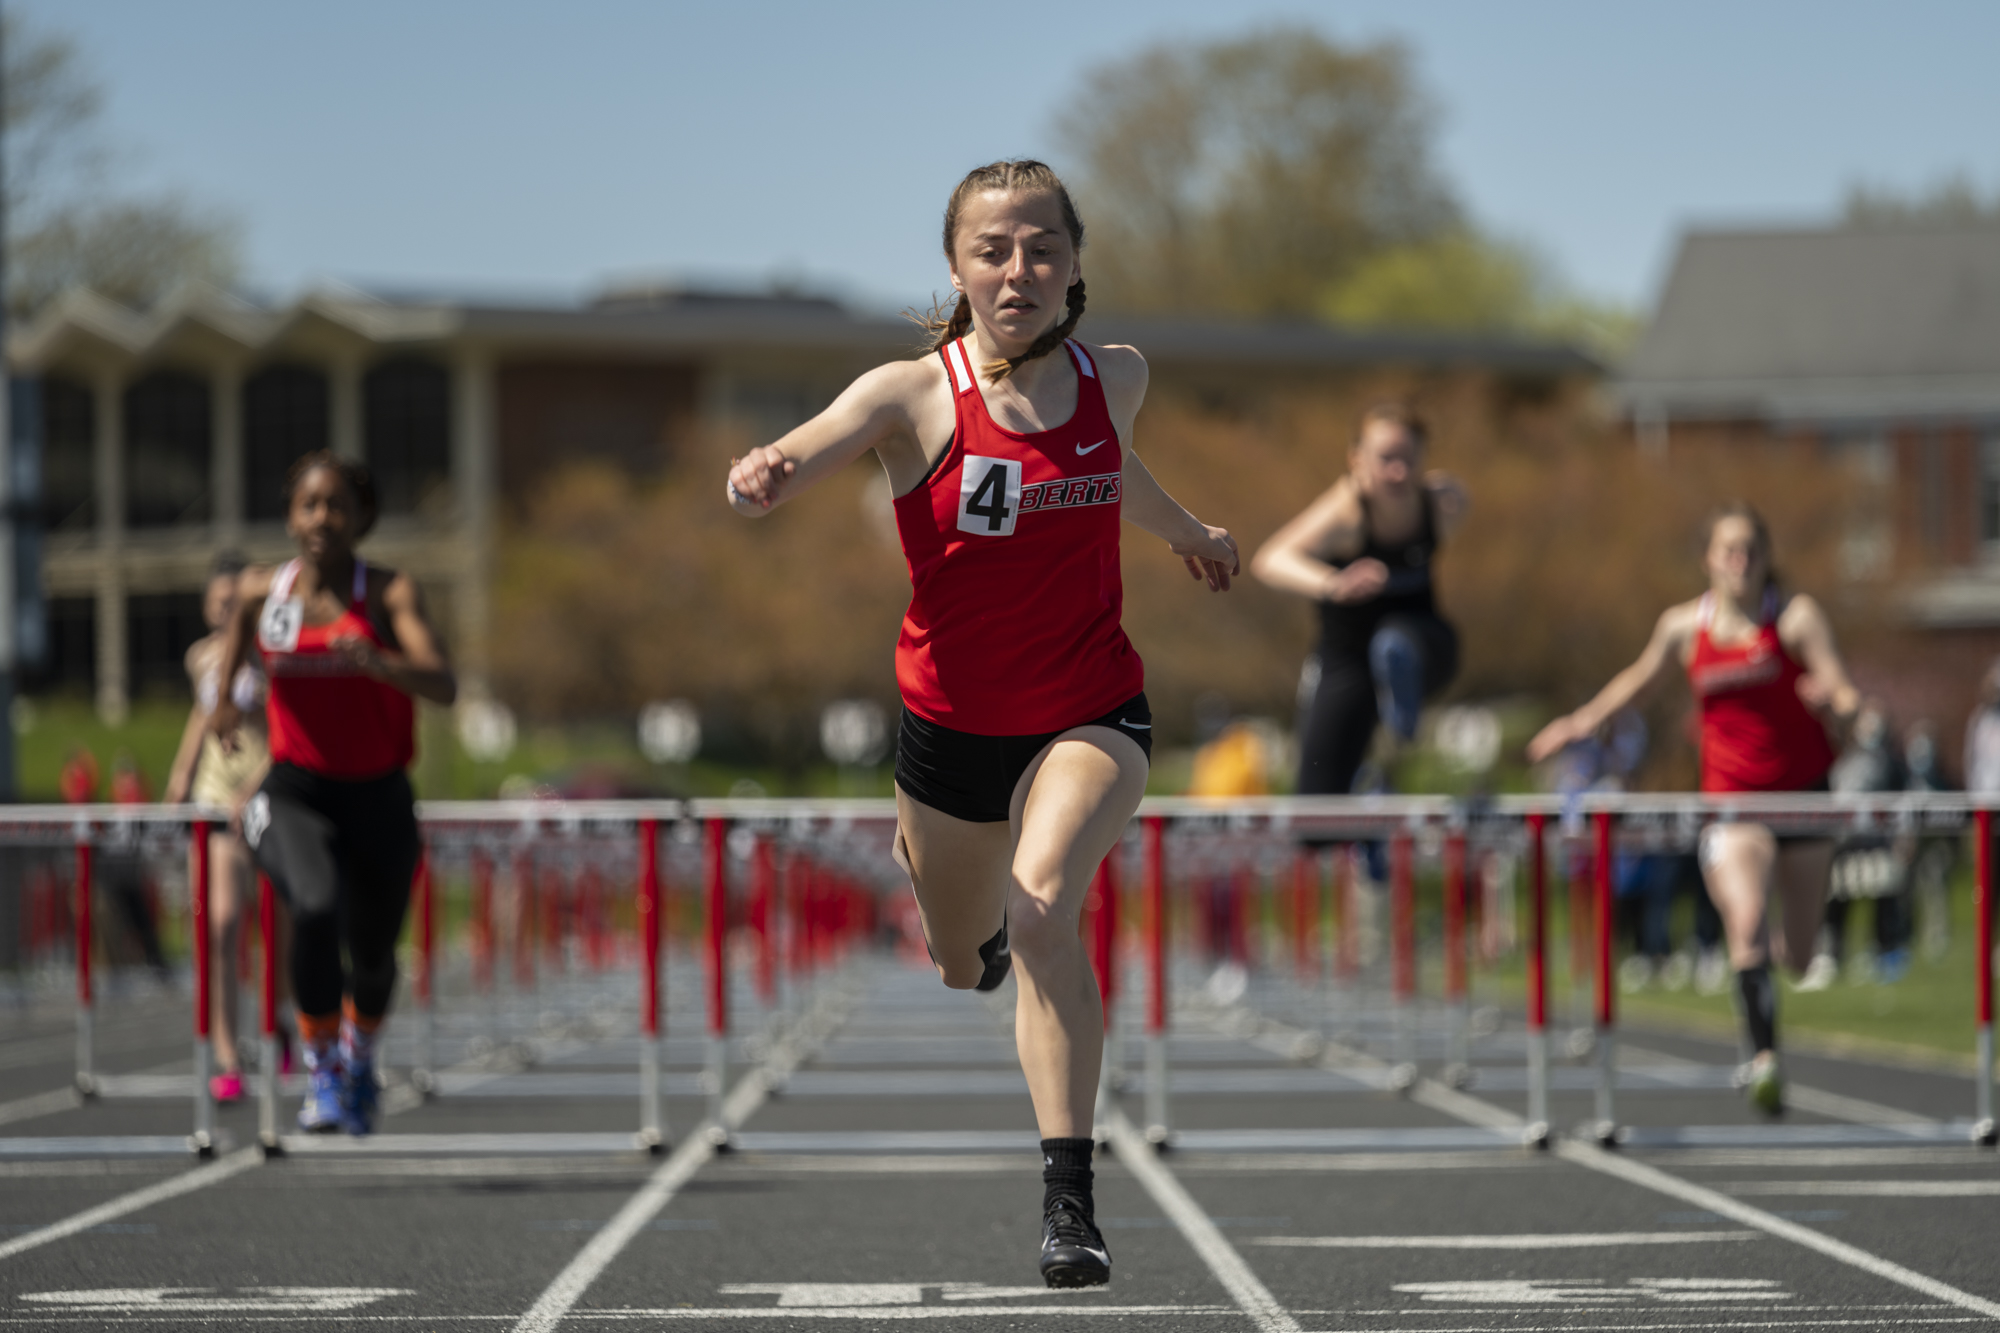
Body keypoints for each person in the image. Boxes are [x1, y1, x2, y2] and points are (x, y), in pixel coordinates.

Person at [725, 160, 1238, 1287]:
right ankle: (967, 918)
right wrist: (767, 472)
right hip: (949, 729)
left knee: (1046, 903)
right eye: (993, 250)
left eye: (1042, 248)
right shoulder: (912, 393)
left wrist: (1187, 528)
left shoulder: (1119, 377)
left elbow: (1115, 477)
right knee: (965, 961)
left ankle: (1070, 1200)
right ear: (956, 267)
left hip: (1089, 708)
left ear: (1074, 264)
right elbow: (808, 446)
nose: (1019, 270)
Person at [1528, 503, 1859, 1114]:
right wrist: (1577, 724)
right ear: (1709, 559)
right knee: (1747, 919)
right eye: (1729, 550)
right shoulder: (1685, 626)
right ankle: (1764, 1060)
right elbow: (1637, 680)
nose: (1741, 561)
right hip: (1732, 802)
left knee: (1804, 952)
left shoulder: (1792, 617)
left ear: (1766, 557)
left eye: (1751, 549)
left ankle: (1783, 964)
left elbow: (1842, 688)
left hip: (1805, 797)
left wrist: (1834, 699)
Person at [208, 452, 457, 1135]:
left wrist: (379, 662)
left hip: (378, 793)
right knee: (313, 905)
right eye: (310, 505)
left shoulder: (387, 592)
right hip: (296, 790)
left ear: (362, 517)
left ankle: (358, 1053)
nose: (323, 518)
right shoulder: (264, 593)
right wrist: (224, 707)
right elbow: (233, 645)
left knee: (374, 953)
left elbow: (444, 682)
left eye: (338, 505)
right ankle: (320, 1066)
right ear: (290, 515)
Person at [1250, 403, 1466, 796]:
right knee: (1316, 800)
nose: (1398, 472)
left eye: (1408, 459)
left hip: (1422, 644)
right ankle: (1365, 807)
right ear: (1356, 460)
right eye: (1386, 459)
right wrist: (1334, 583)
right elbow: (1269, 560)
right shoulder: (1345, 513)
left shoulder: (1443, 503)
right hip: (1348, 658)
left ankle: (1400, 700)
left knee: (1396, 641)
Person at [166, 552, 284, 1103]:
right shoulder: (200, 658)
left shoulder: (268, 658)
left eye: (235, 600)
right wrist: (179, 776)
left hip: (266, 796)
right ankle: (227, 1054)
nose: (225, 608)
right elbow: (201, 716)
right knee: (219, 925)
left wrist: (254, 787)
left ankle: (279, 1020)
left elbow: (285, 733)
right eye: (218, 599)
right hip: (214, 802)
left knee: (278, 928)